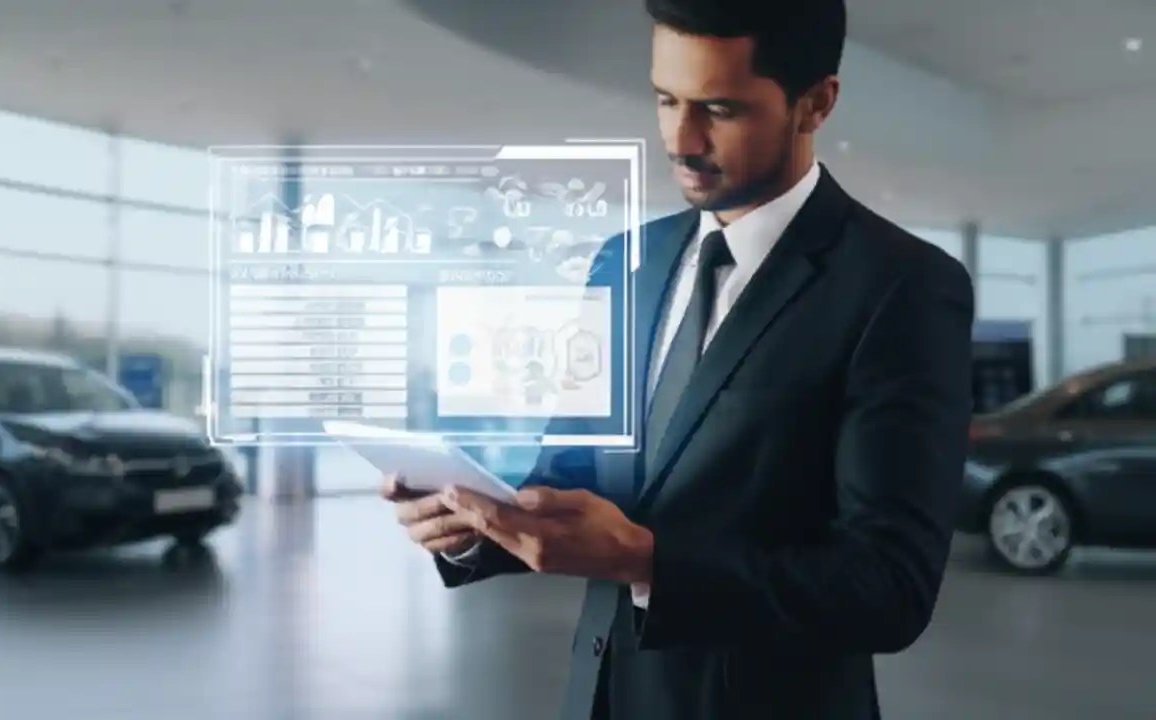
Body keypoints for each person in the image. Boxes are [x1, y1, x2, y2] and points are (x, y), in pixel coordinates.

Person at [381, 0, 974, 717]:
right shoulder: (624, 261)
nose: (681, 139)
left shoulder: (901, 286)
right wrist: (470, 525)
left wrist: (645, 562)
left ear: (816, 103)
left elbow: (888, 589)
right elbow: (569, 476)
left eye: (719, 109)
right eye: (666, 100)